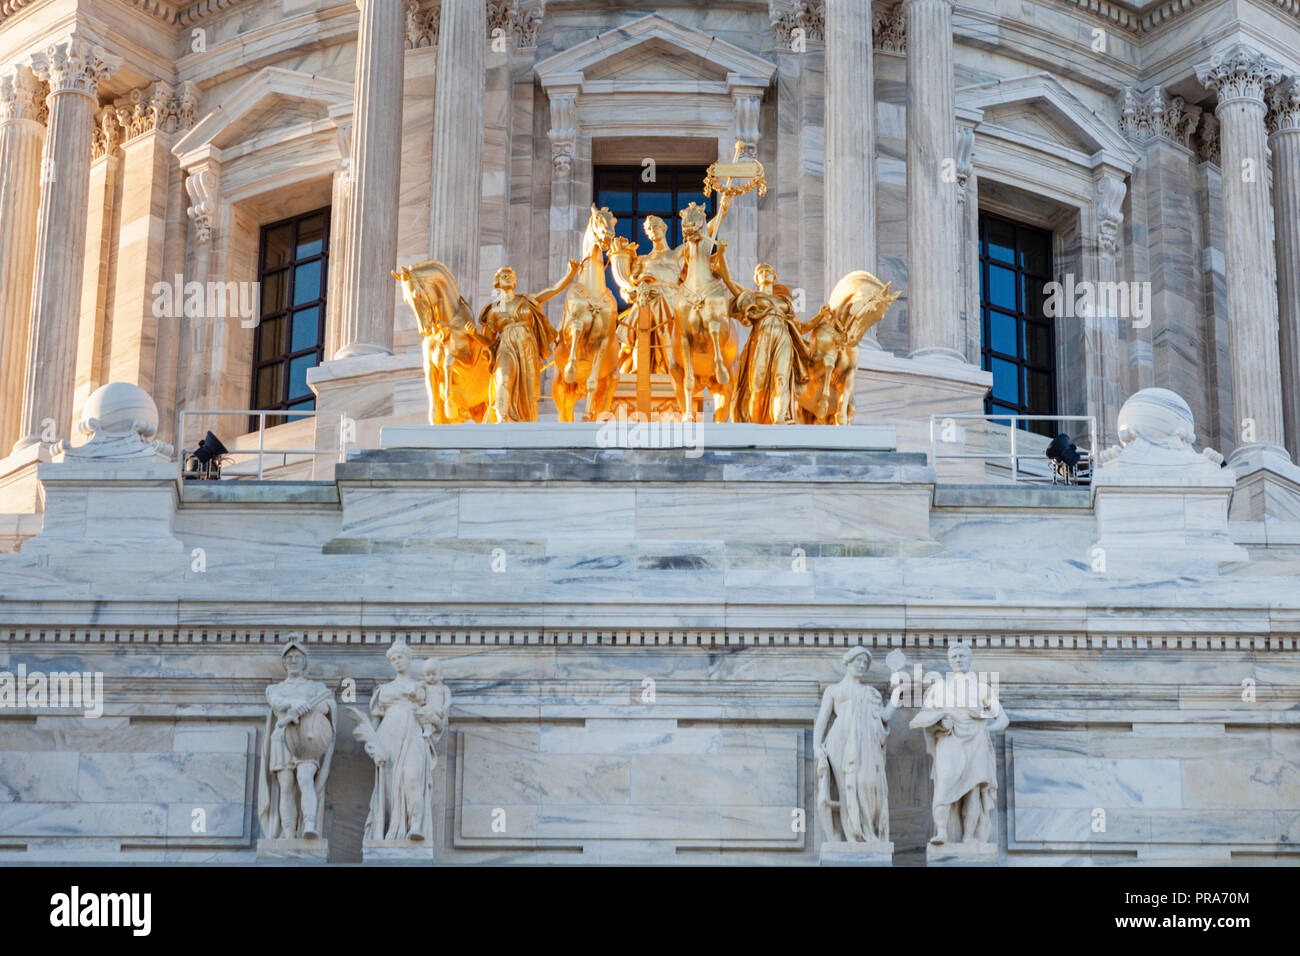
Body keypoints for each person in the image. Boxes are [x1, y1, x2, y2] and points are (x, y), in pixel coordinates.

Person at [909, 642, 1008, 844]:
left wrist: (985, 729)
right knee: (944, 785)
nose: (958, 660)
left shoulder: (982, 689)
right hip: (950, 739)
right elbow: (924, 716)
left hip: (976, 741)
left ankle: (968, 836)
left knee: (972, 790)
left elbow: (1003, 719)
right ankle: (942, 832)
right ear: (949, 661)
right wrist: (939, 722)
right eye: (954, 657)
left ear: (969, 659)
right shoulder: (940, 688)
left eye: (962, 656)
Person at [813, 645, 895, 843]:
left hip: (866, 742)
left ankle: (868, 831)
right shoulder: (833, 690)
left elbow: (884, 716)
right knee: (845, 789)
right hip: (838, 741)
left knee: (866, 783)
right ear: (848, 662)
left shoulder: (870, 692)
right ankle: (853, 837)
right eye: (858, 661)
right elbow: (822, 720)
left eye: (865, 663)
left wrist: (897, 694)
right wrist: (817, 748)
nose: (861, 665)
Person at [258, 638, 336, 840]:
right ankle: (289, 832)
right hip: (282, 738)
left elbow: (327, 707)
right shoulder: (274, 689)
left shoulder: (316, 687)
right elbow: (276, 701)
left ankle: (309, 823)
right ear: (284, 663)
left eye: (297, 657)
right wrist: (294, 702)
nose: (293, 661)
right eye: (289, 657)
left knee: (304, 778)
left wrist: (312, 707)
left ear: (304, 661)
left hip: (308, 737)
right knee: (285, 786)